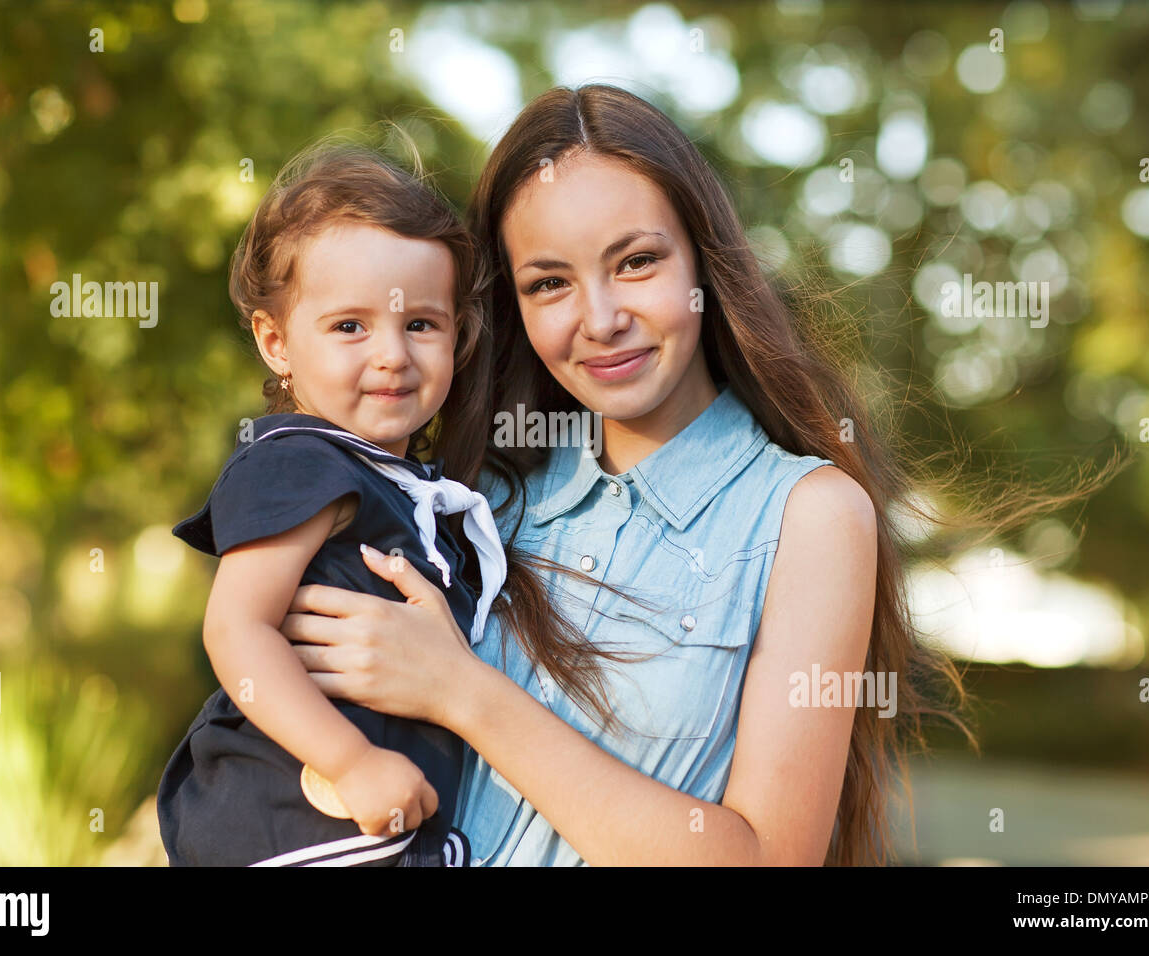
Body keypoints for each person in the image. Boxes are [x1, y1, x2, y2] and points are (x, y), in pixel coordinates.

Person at [280, 85, 975, 866]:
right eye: (550, 283)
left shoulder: (808, 516)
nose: (601, 318)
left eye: (637, 262)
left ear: (704, 263)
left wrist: (461, 692)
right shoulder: (472, 500)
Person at [157, 142, 572, 867]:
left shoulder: (404, 484)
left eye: (421, 324)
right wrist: (349, 761)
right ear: (276, 341)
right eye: (350, 326)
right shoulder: (297, 463)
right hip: (292, 825)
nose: (392, 355)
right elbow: (236, 631)